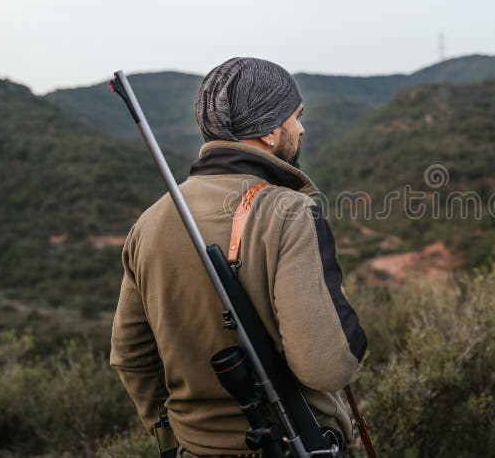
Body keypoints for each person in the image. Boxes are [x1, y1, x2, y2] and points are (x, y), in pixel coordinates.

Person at [110, 57, 368, 457]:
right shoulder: (290, 212)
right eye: (295, 117)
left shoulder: (149, 222)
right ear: (268, 130)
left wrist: (173, 440)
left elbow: (130, 357)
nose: (301, 128)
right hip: (298, 446)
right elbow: (326, 366)